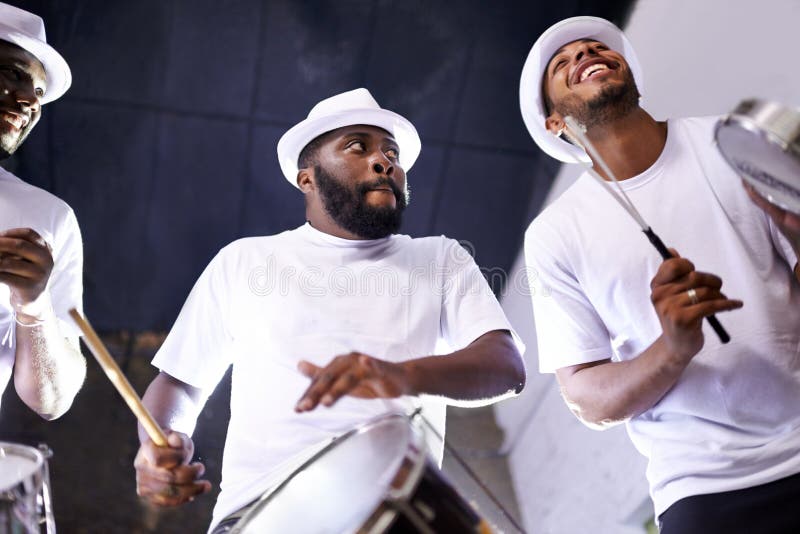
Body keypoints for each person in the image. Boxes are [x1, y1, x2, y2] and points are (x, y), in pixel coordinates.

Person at [133, 88, 526, 532]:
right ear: (308, 178)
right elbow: (181, 383)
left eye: (391, 152)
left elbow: (506, 366)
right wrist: (158, 443)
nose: (385, 161)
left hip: (395, 507)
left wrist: (404, 375)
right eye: (358, 146)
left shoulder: (440, 258)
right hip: (259, 515)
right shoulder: (244, 261)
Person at [520, 16, 800, 534]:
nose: (584, 54)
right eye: (563, 64)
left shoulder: (728, 142)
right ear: (555, 123)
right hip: (704, 488)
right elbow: (586, 399)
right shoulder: (554, 234)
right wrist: (671, 348)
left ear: (629, 71)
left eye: (595, 47)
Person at [0, 3, 85, 420]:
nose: (28, 101)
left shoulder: (45, 218)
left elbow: (51, 401)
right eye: (11, 74)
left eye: (37, 92)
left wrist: (34, 307)